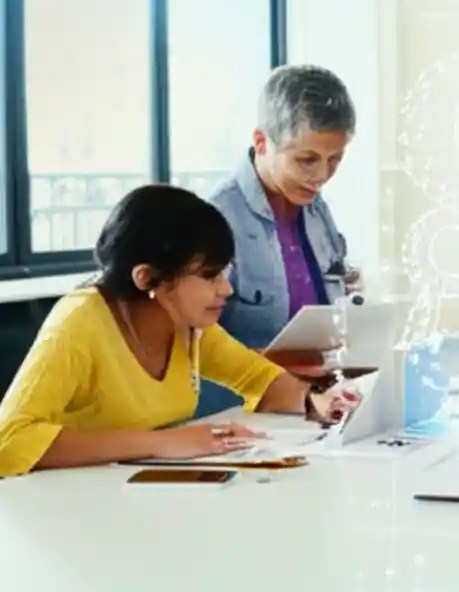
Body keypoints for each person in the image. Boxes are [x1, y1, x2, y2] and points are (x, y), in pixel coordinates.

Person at [0, 185, 358, 477]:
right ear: (148, 278)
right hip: (61, 513)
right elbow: (10, 441)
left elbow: (257, 377)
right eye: (209, 276)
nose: (226, 289)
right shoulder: (78, 324)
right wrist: (162, 442)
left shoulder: (188, 324)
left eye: (224, 272)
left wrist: (314, 401)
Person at [202, 64, 358, 415]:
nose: (322, 176)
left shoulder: (316, 210)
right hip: (241, 413)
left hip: (313, 401)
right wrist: (279, 366)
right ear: (261, 143)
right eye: (306, 160)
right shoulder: (215, 220)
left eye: (335, 159)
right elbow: (194, 348)